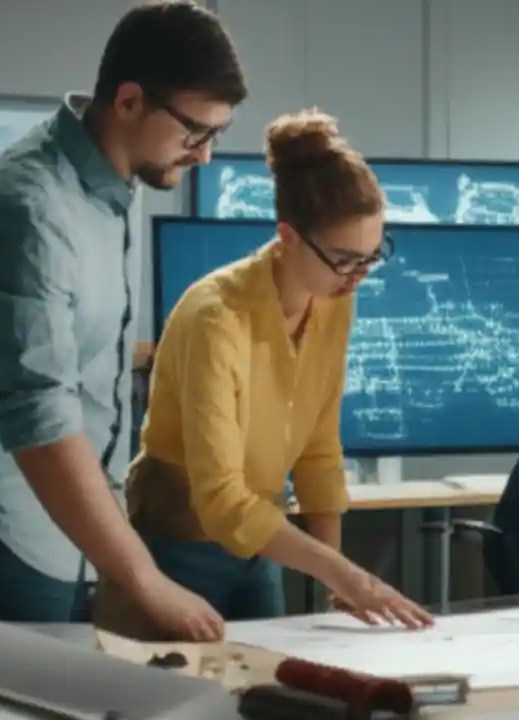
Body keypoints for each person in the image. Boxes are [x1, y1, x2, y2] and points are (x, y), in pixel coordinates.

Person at [0, 1, 245, 640]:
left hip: (45, 526)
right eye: (195, 132)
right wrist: (142, 577)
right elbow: (39, 417)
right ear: (129, 101)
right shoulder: (32, 207)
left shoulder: (108, 190)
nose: (205, 156)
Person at [92, 108, 434, 640]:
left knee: (269, 694)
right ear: (288, 236)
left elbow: (319, 449)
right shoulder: (216, 316)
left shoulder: (333, 301)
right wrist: (344, 572)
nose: (358, 278)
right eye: (345, 259)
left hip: (260, 545)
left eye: (371, 258)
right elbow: (222, 499)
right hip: (178, 548)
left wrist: (337, 585)